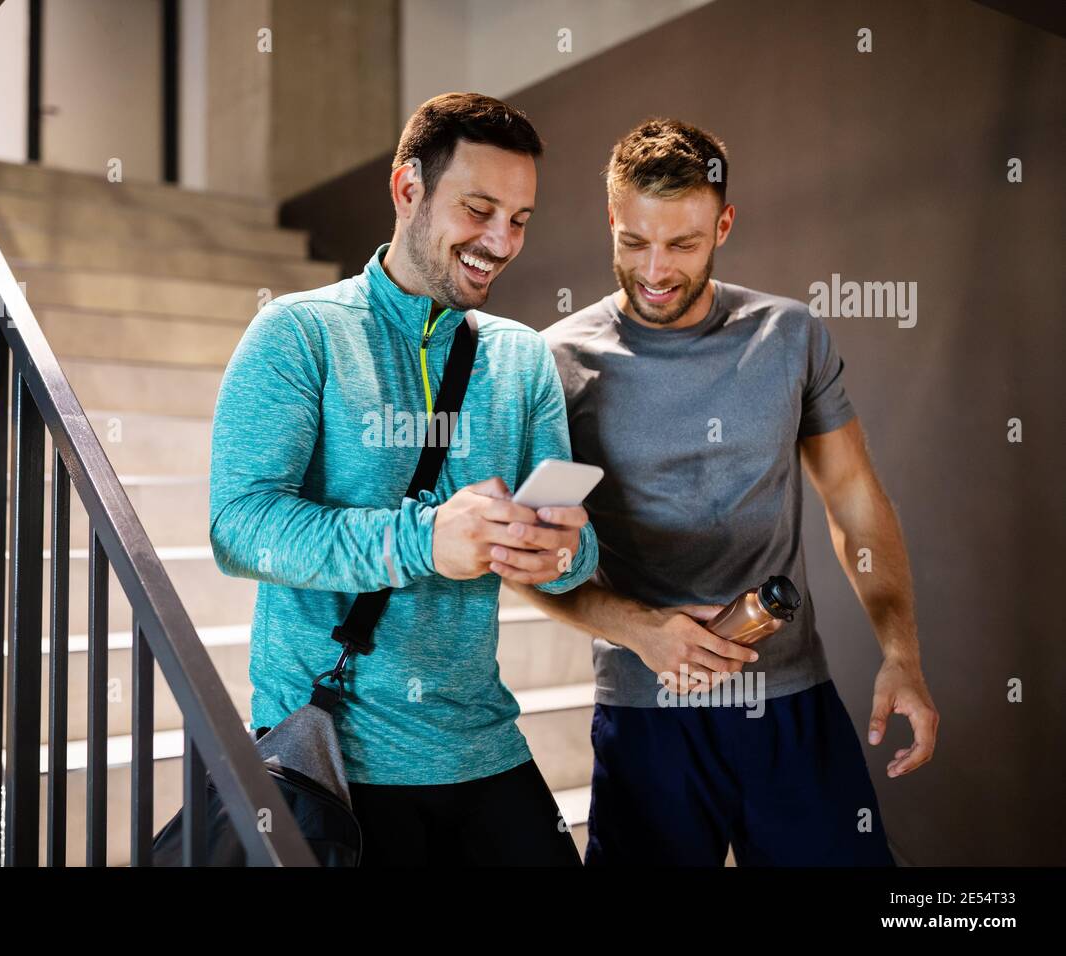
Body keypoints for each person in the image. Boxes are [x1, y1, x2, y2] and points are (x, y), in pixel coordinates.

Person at [515, 117, 939, 866]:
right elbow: (527, 563)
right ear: (612, 217)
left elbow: (855, 501)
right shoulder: (555, 362)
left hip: (789, 705)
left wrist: (901, 653)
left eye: (683, 244)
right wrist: (640, 629)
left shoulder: (790, 335)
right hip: (649, 720)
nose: (655, 269)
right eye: (635, 241)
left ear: (725, 223)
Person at [209, 93, 596, 865]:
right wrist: (423, 539)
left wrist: (558, 552)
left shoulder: (522, 358)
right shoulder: (300, 333)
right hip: (337, 763)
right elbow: (239, 527)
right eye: (480, 208)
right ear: (407, 189)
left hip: (483, 745)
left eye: (519, 219)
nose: (500, 241)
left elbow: (573, 565)